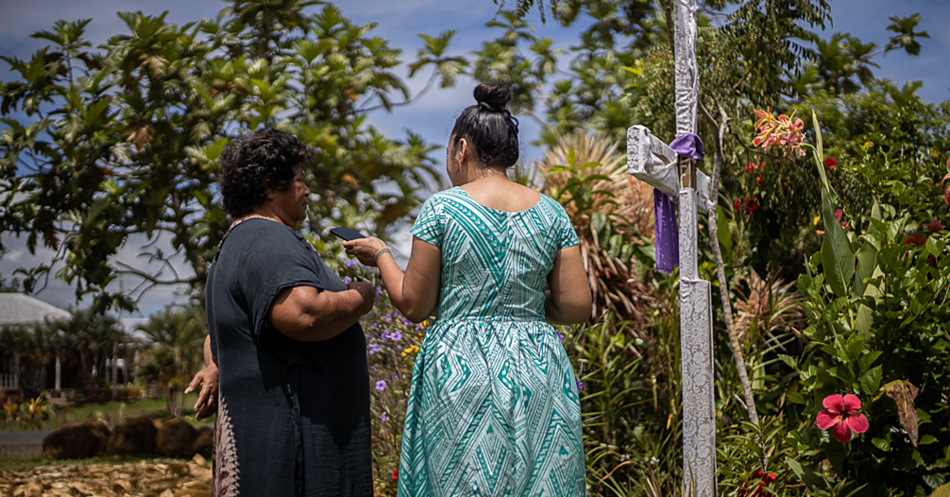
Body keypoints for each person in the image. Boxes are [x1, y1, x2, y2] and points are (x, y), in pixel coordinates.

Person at [344, 83, 592, 497]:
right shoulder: (551, 212)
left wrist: (382, 254)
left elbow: (413, 304)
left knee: (462, 482)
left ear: (461, 148)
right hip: (538, 367)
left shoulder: (443, 208)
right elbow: (577, 305)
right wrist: (521, 310)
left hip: (461, 370)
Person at [196, 128, 376, 497]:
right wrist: (361, 295)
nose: (306, 190)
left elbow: (221, 333)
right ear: (268, 186)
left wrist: (216, 366)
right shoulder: (267, 239)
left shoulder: (236, 243)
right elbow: (302, 313)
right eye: (298, 180)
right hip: (288, 456)